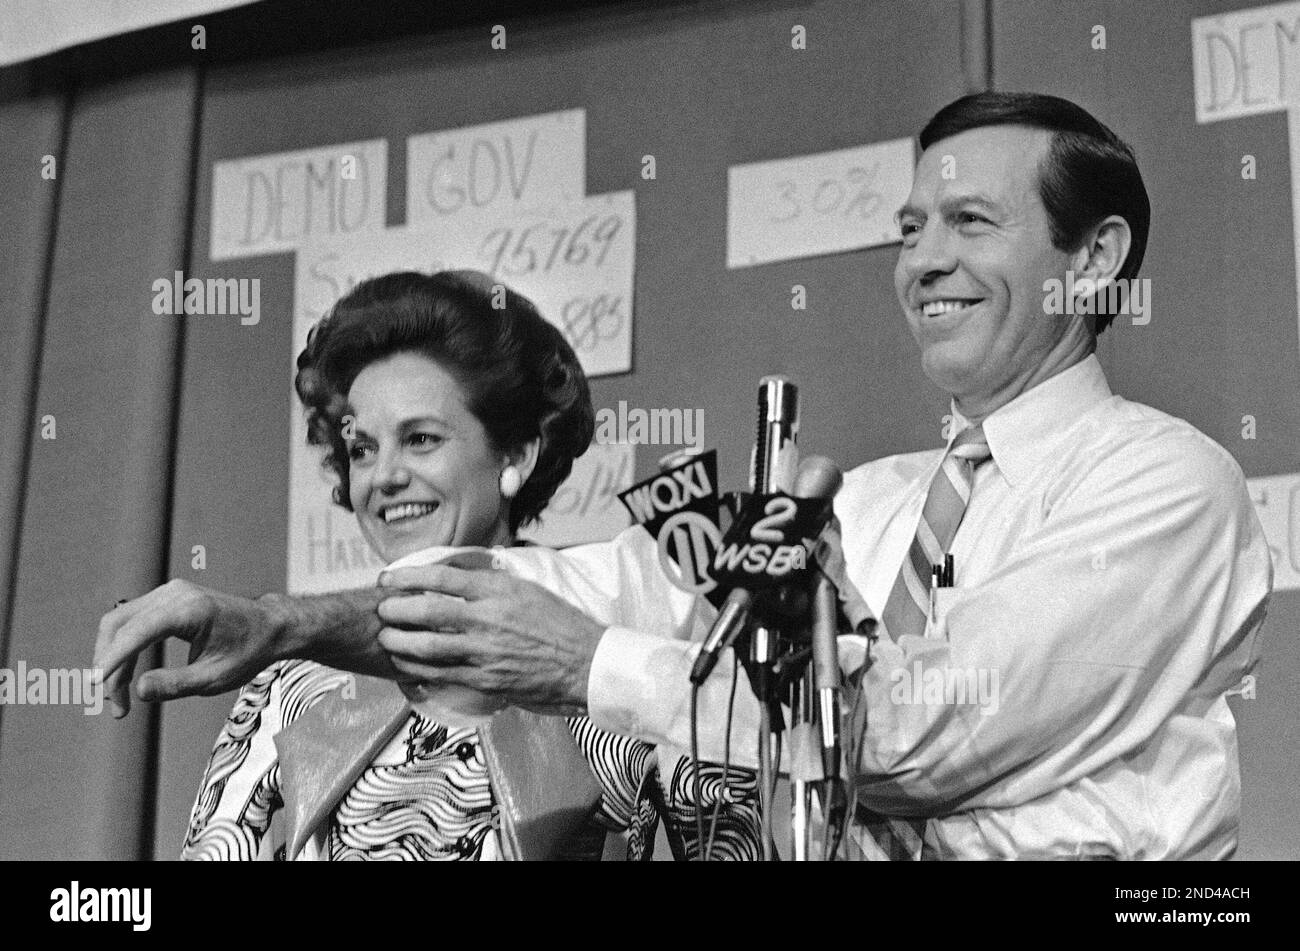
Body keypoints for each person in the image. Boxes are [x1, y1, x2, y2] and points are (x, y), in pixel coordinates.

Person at [97, 93, 1271, 859]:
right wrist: (282, 622)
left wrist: (581, 667)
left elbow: (919, 736)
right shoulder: (861, 503)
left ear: (1096, 256)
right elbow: (595, 586)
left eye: (968, 222)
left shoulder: (1165, 487)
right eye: (910, 227)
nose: (922, 263)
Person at [172, 269, 760, 860]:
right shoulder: (292, 681)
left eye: (421, 439)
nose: (385, 476)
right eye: (362, 450)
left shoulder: (625, 663)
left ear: (516, 454)